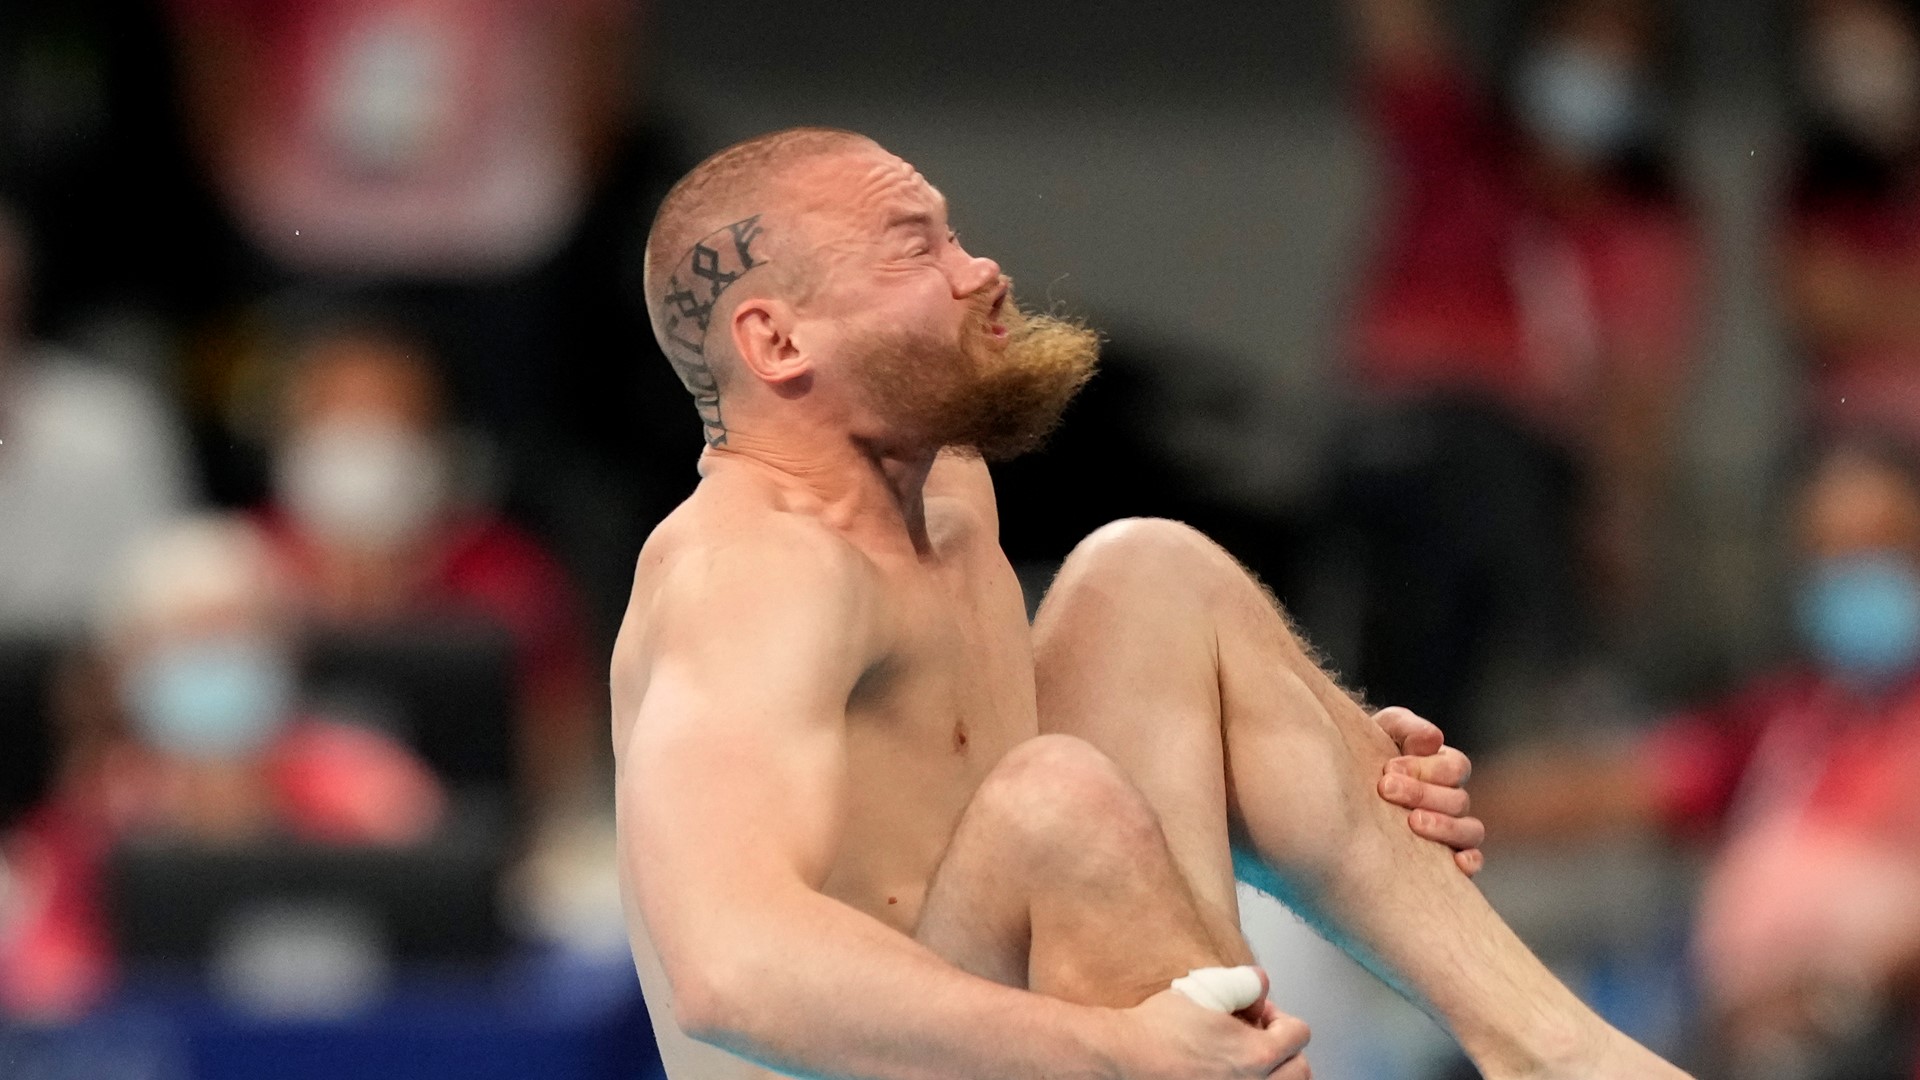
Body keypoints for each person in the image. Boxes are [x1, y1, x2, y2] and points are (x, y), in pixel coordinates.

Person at [611, 127, 1687, 1080]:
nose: (981, 269)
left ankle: (1555, 1054)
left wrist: (1316, 752)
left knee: (1151, 579)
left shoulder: (949, 490)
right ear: (778, 342)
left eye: (954, 233)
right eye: (915, 247)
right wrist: (1116, 1050)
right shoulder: (749, 572)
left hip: (1032, 1022)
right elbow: (730, 971)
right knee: (1053, 800)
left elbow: (1017, 840)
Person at [1472, 435, 1920, 1077]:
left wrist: (1841, 987)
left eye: (1879, 548)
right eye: (1828, 556)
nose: (1853, 579)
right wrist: (1426, 788)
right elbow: (1615, 785)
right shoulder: (1789, 721)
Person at [1327, 0, 1703, 742]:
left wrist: (1618, 520)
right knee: (1458, 470)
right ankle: (1539, 691)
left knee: (1494, 478)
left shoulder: (1641, 223)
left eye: (1620, 54)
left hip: (1530, 493)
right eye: (1578, 43)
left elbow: (1638, 387)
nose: (1595, 71)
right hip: (1395, 452)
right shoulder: (1457, 150)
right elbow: (1395, 35)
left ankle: (1515, 715)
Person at [0, 513, 443, 1019]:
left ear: (286, 652)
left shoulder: (368, 786)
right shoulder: (89, 817)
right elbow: (45, 981)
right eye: (188, 637)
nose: (215, 655)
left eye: (238, 632)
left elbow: (443, 931)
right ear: (125, 667)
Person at [254, 321, 600, 806]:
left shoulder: (507, 570)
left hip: (470, 837)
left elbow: (557, 726)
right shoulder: (239, 561)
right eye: (335, 416)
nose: (359, 440)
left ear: (432, 436)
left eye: (384, 417)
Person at [1783, 0, 1920, 446]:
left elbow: (1845, 302)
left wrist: (1868, 295)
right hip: (1855, 438)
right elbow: (1822, 306)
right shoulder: (1809, 183)